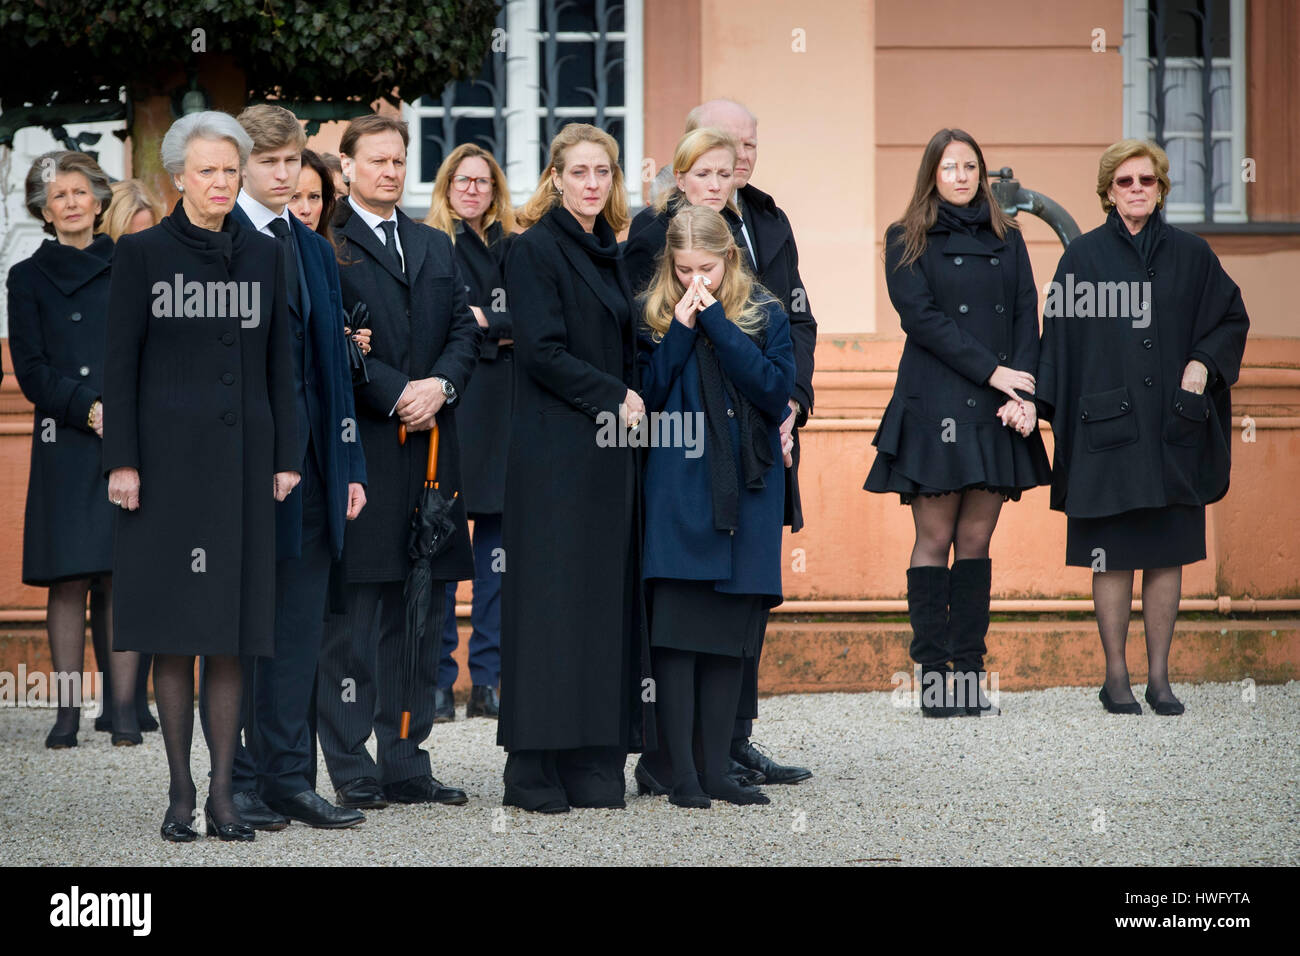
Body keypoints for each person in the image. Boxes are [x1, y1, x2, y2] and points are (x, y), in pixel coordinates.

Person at [102, 110, 300, 842]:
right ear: (178, 177)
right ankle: (180, 792)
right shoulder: (142, 254)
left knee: (230, 634)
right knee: (174, 633)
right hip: (163, 475)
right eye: (207, 171)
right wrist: (121, 459)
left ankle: (224, 796)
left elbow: (281, 363)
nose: (220, 182)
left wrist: (285, 456)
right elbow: (119, 365)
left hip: (244, 472)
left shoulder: (266, 253)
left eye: (229, 170)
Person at [1035, 139, 1249, 717]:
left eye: (1146, 181)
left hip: (1173, 431)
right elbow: (1057, 340)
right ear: (1108, 191)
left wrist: (1203, 363)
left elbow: (1231, 316)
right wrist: (1046, 407)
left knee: (1165, 551)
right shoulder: (1081, 259)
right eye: (1125, 181)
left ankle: (1160, 679)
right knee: (1112, 554)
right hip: (1106, 432)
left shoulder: (1193, 254)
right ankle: (1115, 677)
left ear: (1161, 190)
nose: (1136, 190)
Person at [207, 104, 369, 832]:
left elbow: (333, 364)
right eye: (269, 161)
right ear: (240, 163)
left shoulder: (308, 244)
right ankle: (232, 781)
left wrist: (350, 464)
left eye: (293, 160)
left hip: (311, 471)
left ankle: (289, 779)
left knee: (299, 632)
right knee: (240, 631)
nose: (285, 174)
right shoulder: (214, 240)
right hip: (237, 475)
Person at [316, 114, 478, 810]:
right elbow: (335, 341)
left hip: (435, 459)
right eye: (375, 160)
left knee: (423, 615)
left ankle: (407, 760)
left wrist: (439, 386)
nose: (389, 170)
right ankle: (351, 766)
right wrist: (395, 392)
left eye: (398, 159)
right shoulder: (328, 245)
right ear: (347, 166)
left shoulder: (434, 244)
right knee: (356, 620)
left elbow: (466, 333)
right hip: (368, 455)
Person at [865, 128, 1050, 717]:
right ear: (932, 175)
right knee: (935, 539)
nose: (962, 176)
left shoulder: (1009, 236)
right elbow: (921, 320)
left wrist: (1024, 392)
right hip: (936, 404)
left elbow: (1026, 311)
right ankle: (933, 679)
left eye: (971, 166)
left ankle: (968, 677)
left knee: (976, 540)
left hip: (999, 407)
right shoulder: (905, 238)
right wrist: (994, 372)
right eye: (950, 167)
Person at [498, 122, 653, 813]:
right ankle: (534, 769)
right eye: (579, 171)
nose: (592, 183)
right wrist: (614, 394)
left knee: (603, 605)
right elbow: (540, 350)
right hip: (554, 456)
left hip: (608, 460)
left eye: (603, 172)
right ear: (555, 178)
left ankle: (595, 760)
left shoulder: (610, 253)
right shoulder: (532, 250)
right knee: (552, 606)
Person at [675, 98, 814, 784]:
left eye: (747, 148)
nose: (738, 161)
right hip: (701, 447)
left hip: (769, 427)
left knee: (754, 593)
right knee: (705, 598)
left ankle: (738, 735)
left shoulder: (767, 217)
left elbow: (798, 318)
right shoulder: (665, 230)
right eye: (725, 149)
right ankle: (691, 749)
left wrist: (795, 400)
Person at [638, 204, 793, 808]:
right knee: (678, 636)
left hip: (747, 493)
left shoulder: (764, 312)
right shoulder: (652, 315)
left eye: (706, 268)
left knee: (731, 635)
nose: (694, 282)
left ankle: (719, 770)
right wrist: (679, 328)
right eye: (682, 270)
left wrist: (719, 326)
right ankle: (680, 776)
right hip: (679, 489)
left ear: (728, 259)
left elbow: (774, 387)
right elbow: (646, 396)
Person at [7, 151, 141, 748]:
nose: (70, 203)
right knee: (69, 577)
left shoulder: (132, 264)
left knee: (121, 572)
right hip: (65, 436)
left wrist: (128, 413)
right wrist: (88, 408)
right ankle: (65, 712)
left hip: (130, 434)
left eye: (80, 192)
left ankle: (124, 711)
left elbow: (149, 348)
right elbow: (31, 370)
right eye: (57, 195)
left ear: (98, 198)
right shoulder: (27, 277)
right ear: (43, 208)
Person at [423, 144, 516, 721]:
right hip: (450, 407)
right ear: (446, 186)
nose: (473, 190)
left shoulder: (513, 247)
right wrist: (485, 325)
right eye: (462, 180)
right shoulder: (429, 243)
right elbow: (435, 322)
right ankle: (437, 681)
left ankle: (488, 680)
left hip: (504, 411)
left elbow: (530, 320)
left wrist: (485, 320)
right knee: (438, 553)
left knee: (498, 559)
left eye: (483, 181)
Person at [91, 177, 165, 737]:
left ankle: (132, 702)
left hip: (146, 436)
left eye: (149, 231)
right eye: (131, 234)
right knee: (96, 572)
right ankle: (112, 703)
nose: (141, 243)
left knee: (132, 575)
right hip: (89, 439)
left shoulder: (162, 277)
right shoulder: (100, 280)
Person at [622, 126, 742, 296]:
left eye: (724, 175)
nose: (715, 186)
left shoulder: (737, 226)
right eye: (702, 174)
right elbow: (636, 314)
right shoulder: (651, 236)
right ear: (680, 180)